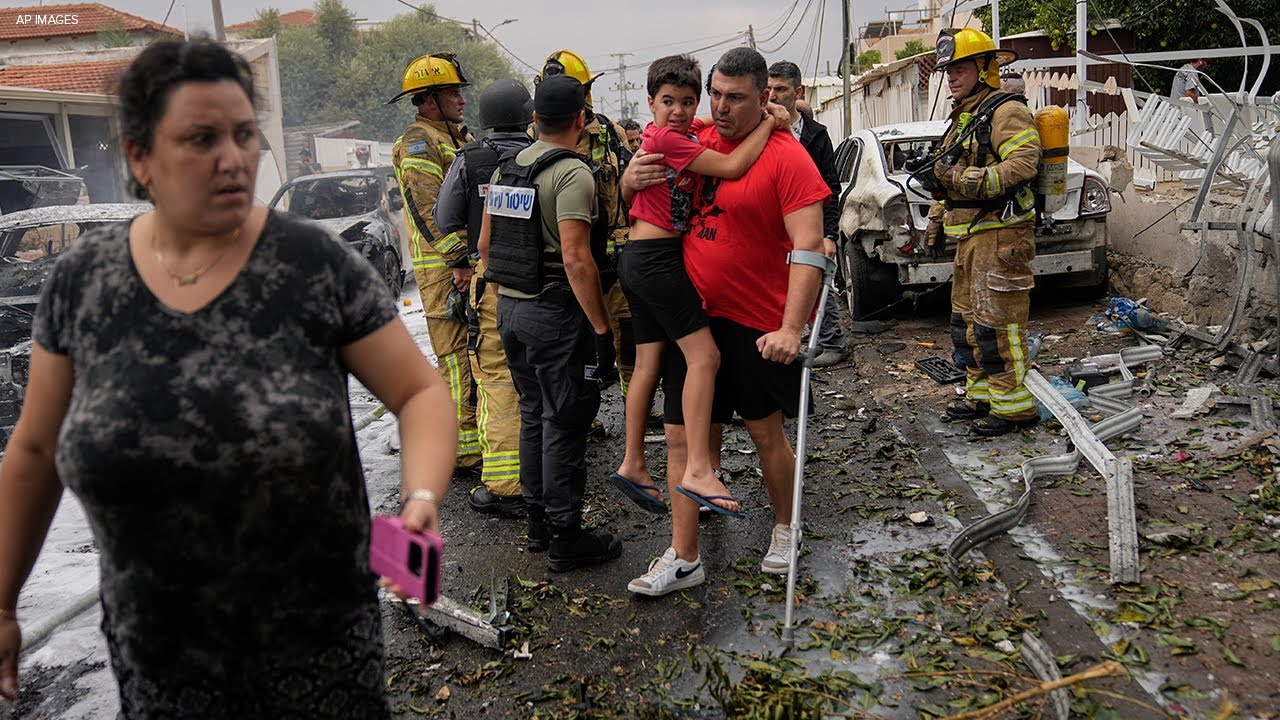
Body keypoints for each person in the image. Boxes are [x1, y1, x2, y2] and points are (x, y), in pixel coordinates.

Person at [0, 38, 456, 715]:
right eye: (200, 138)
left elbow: (418, 392)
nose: (233, 158)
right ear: (138, 156)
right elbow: (34, 452)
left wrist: (419, 498)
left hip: (317, 659)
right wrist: (3, 602)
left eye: (244, 135)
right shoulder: (82, 286)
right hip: (159, 664)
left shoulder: (313, 267)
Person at [621, 47, 829, 597]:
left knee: (765, 435)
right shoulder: (702, 137)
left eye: (735, 98)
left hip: (756, 323)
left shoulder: (788, 157)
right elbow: (648, 189)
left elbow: (810, 246)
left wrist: (791, 328)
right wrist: (626, 180)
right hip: (693, 316)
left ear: (765, 98)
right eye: (715, 94)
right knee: (683, 439)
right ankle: (684, 556)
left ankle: (786, 528)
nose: (720, 107)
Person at [609, 54, 784, 516]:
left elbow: (702, 122)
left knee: (648, 362)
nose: (681, 111)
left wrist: (702, 114)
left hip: (636, 257)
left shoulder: (667, 132)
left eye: (689, 102)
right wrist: (767, 123)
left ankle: (632, 462)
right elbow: (732, 168)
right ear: (650, 103)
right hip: (659, 261)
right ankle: (699, 469)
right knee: (705, 356)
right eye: (669, 102)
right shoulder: (670, 138)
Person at [478, 75, 622, 571]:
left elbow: (484, 248)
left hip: (511, 311)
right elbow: (578, 260)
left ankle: (538, 520)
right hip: (555, 312)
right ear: (581, 120)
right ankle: (566, 537)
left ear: (535, 119)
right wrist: (601, 330)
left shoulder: (505, 171)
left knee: (533, 412)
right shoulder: (571, 175)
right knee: (565, 420)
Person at [926, 28, 1042, 437]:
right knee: (967, 324)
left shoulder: (1006, 111)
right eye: (948, 70)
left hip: (1003, 235)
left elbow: (1023, 165)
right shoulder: (965, 115)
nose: (952, 76)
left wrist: (963, 179)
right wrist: (938, 214)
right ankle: (982, 397)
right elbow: (945, 174)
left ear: (984, 68)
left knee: (997, 327)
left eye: (960, 68)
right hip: (971, 236)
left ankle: (1013, 409)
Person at [434, 79, 535, 518]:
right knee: (543, 377)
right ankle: (548, 475)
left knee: (496, 378)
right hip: (545, 285)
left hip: (491, 283)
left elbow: (443, 217)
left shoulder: (469, 160)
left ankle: (507, 485)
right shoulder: (545, 157)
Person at [390, 53, 483, 480]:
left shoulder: (452, 136)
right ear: (430, 100)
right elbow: (427, 207)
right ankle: (460, 451)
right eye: (452, 92)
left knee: (473, 353)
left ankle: (472, 438)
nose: (461, 99)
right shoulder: (420, 141)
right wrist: (457, 259)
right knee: (454, 360)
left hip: (460, 266)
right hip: (442, 270)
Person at [538, 50, 635, 398]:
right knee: (575, 342)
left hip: (614, 255)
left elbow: (627, 191)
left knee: (627, 337)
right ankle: (583, 413)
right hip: (568, 260)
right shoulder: (540, 141)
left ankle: (635, 400)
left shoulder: (610, 133)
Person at [767, 60, 848, 368]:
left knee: (816, 280)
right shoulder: (763, 129)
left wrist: (829, 234)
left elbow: (830, 187)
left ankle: (831, 342)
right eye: (770, 89)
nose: (773, 96)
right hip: (776, 227)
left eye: (781, 89)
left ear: (797, 92)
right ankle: (794, 337)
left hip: (808, 223)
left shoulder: (816, 135)